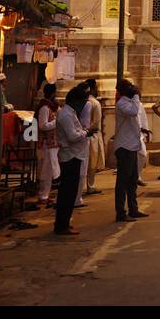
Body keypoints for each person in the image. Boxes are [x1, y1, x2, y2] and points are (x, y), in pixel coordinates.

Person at [54, 86, 94, 235]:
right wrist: (86, 133)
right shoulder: (65, 114)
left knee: (70, 192)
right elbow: (72, 136)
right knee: (67, 192)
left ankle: (64, 222)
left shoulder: (70, 113)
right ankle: (62, 224)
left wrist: (83, 132)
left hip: (75, 154)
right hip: (69, 155)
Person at [113, 79, 149, 222]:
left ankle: (133, 209)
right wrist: (136, 95)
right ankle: (120, 212)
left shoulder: (130, 102)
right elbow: (134, 112)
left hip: (132, 145)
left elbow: (135, 118)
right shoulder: (122, 103)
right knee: (123, 181)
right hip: (124, 146)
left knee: (132, 180)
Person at [35, 83, 59, 209]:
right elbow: (43, 125)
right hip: (46, 144)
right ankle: (42, 195)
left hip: (52, 143)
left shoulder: (51, 107)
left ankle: (45, 194)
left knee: (50, 170)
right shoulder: (44, 108)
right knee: (46, 170)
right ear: (52, 93)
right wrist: (56, 122)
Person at [84, 78, 106, 196]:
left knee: (86, 162)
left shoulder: (83, 101)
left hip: (83, 134)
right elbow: (96, 122)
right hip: (92, 135)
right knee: (91, 163)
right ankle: (90, 186)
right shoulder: (95, 103)